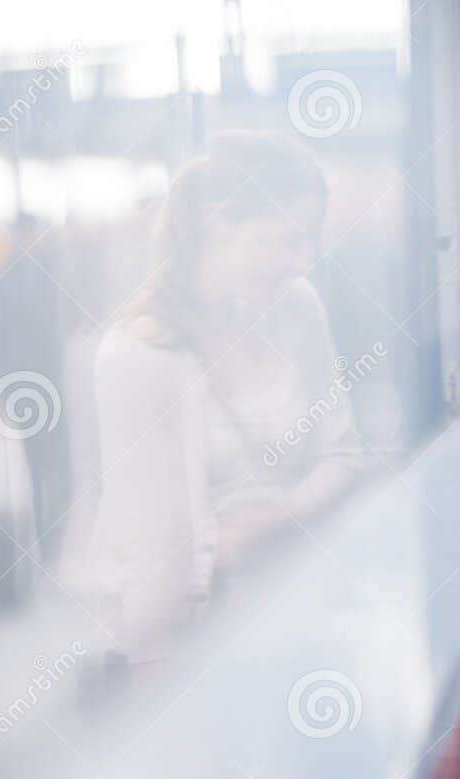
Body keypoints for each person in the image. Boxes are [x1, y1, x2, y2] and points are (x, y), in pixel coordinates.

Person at [81, 131, 366, 664]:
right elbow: (155, 566)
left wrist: (273, 515)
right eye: (286, 239)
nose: (303, 261)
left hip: (296, 617)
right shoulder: (140, 355)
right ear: (221, 223)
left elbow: (345, 459)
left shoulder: (298, 309)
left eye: (310, 241)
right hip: (194, 643)